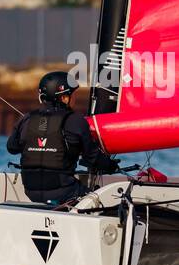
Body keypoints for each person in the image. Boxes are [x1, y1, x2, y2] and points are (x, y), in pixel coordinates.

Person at [7, 70, 120, 205]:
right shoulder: (76, 121)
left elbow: (12, 148)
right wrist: (111, 165)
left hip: (30, 191)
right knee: (107, 200)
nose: (75, 98)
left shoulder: (26, 119)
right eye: (73, 94)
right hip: (65, 192)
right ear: (64, 98)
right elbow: (93, 158)